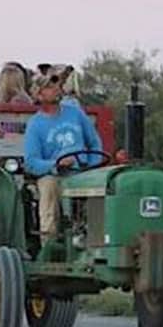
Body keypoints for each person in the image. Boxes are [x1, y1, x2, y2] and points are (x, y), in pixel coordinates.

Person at [24, 70, 103, 244]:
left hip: (82, 173)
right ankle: (48, 242)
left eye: (57, 86)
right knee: (49, 187)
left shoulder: (75, 114)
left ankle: (97, 241)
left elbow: (95, 143)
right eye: (49, 87)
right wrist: (56, 164)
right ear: (39, 94)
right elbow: (31, 162)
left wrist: (91, 165)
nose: (56, 89)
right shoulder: (35, 124)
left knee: (103, 188)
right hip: (56, 175)